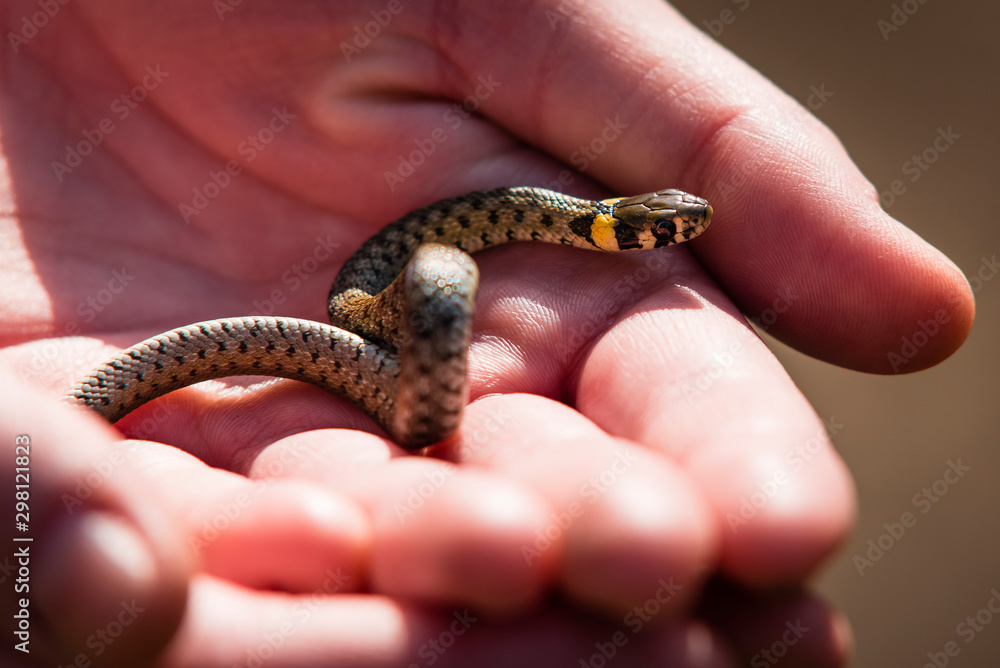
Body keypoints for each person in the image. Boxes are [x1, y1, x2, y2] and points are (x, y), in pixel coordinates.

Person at [0, 1, 973, 665]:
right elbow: (391, 306)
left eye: (665, 234)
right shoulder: (432, 271)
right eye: (656, 232)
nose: (666, 241)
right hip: (373, 317)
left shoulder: (527, 223)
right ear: (610, 225)